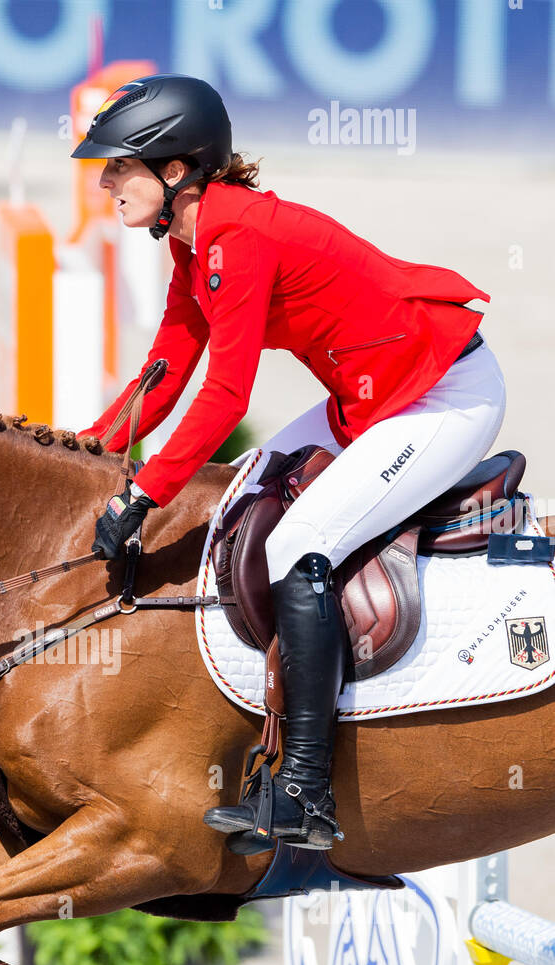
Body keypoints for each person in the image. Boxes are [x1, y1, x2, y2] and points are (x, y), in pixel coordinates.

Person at [73, 73, 506, 851]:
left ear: (175, 170)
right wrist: (88, 455)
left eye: (118, 167)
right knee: (242, 496)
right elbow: (168, 365)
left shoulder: (237, 237)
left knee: (296, 544)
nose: (104, 182)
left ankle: (304, 789)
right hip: (370, 399)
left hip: (442, 397)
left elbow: (227, 396)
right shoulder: (194, 235)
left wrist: (140, 493)